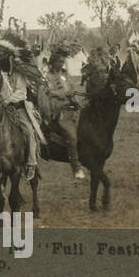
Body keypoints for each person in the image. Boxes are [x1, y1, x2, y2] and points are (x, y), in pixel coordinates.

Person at [0, 37, 47, 180]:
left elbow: (21, 92)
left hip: (18, 107)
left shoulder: (19, 71)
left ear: (7, 55)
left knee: (29, 131)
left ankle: (31, 163)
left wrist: (6, 101)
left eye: (0, 53)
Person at [42, 47, 86, 180]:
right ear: (52, 62)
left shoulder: (64, 75)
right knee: (71, 136)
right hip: (59, 110)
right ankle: (76, 167)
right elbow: (49, 94)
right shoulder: (47, 77)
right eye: (59, 62)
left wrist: (71, 96)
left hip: (72, 107)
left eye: (62, 62)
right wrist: (64, 94)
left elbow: (72, 88)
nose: (61, 64)